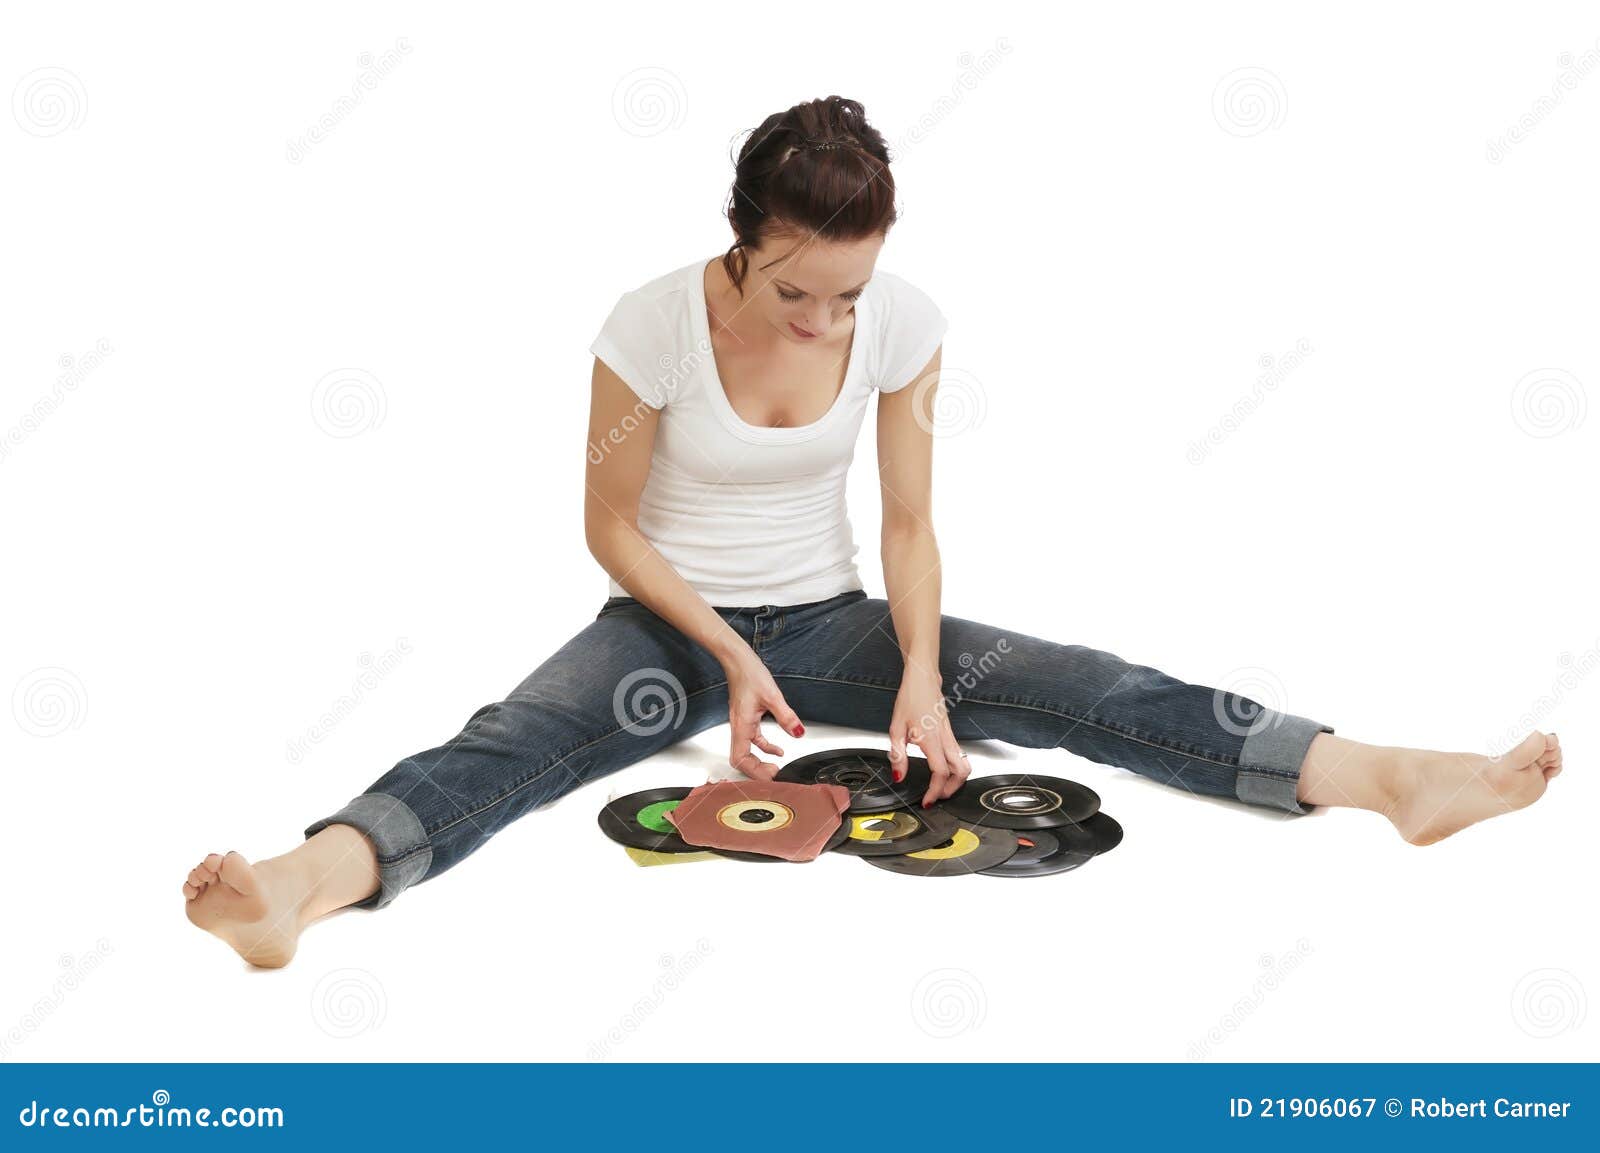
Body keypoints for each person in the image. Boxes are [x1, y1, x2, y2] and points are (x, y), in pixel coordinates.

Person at [182, 95, 1562, 968]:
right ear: (742, 240)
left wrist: (912, 670)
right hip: (669, 623)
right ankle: (297, 890)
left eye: (850, 293)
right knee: (518, 741)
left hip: (839, 622)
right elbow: (607, 523)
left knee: (1067, 682)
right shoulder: (647, 323)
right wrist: (722, 656)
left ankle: (1387, 777)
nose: (827, 324)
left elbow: (909, 520)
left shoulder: (905, 323)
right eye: (799, 291)